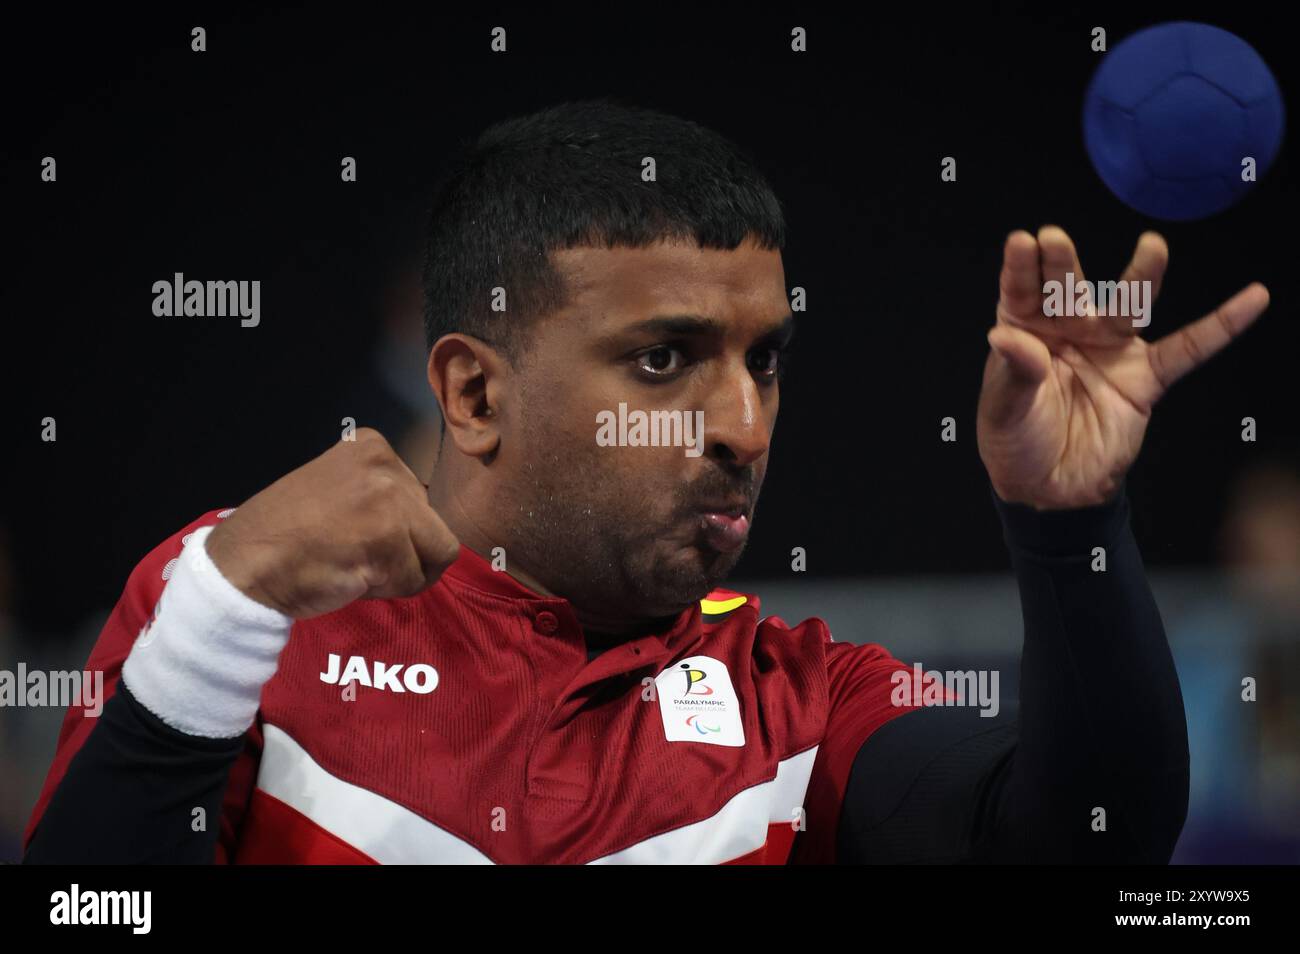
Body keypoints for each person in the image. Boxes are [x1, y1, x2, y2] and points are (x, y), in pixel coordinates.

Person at [23, 98, 1268, 864]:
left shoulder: (802, 700)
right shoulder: (237, 610)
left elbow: (1090, 845)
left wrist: (1067, 524)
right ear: (472, 393)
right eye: (663, 358)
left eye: (765, 361)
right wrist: (214, 625)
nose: (741, 423)